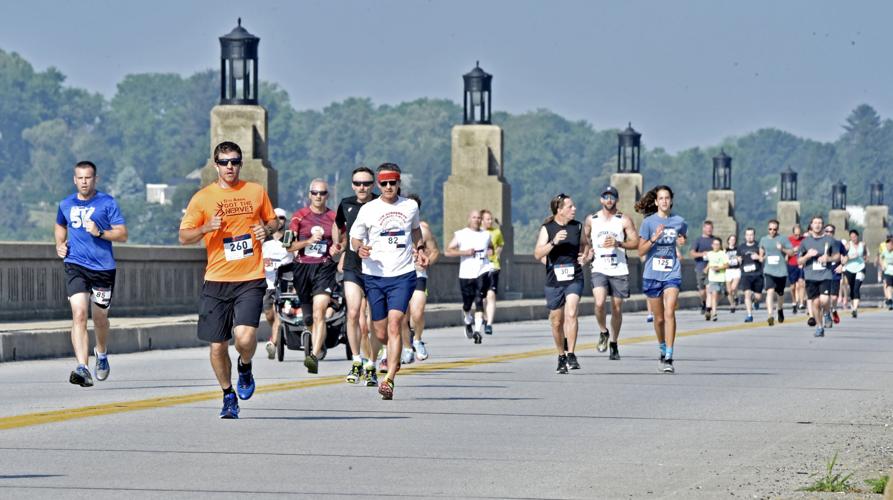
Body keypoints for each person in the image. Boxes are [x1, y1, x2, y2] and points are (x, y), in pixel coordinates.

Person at [179, 141, 278, 418]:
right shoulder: (202, 198)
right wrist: (204, 228)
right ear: (216, 165)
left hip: (250, 276)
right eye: (224, 162)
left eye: (234, 161)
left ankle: (245, 367)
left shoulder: (256, 192)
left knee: (244, 337)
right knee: (217, 346)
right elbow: (184, 237)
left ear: (240, 163)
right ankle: (227, 394)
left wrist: (265, 229)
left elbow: (273, 222)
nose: (230, 167)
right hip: (217, 279)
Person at [350, 163, 427, 400]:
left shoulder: (410, 206)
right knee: (380, 331)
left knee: (395, 324)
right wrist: (360, 248)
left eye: (392, 182)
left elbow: (415, 231)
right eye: (384, 183)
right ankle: (391, 355)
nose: (388, 187)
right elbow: (355, 238)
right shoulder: (368, 209)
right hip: (374, 275)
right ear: (379, 185)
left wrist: (420, 247)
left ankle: (390, 378)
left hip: (403, 274)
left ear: (398, 183)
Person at [54, 161, 128, 387]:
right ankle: (82, 367)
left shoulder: (107, 202)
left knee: (99, 318)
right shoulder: (65, 204)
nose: (84, 182)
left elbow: (122, 234)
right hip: (75, 265)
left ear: (95, 179)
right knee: (79, 314)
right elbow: (60, 225)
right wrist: (59, 245)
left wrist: (101, 232)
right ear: (74, 180)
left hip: (103, 269)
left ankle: (102, 353)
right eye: (80, 178)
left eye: (88, 178)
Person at [285, 179, 340, 374]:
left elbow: (342, 240)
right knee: (309, 317)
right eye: (315, 193)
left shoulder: (334, 217)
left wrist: (337, 247)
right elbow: (289, 246)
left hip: (324, 268)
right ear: (309, 195)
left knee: (319, 313)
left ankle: (314, 356)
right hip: (302, 268)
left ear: (327, 195)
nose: (319, 196)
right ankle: (318, 341)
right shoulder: (299, 217)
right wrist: (308, 241)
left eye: (323, 193)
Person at [534, 193, 588, 373]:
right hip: (554, 280)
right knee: (557, 321)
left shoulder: (577, 226)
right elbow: (538, 254)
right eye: (570, 207)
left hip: (574, 276)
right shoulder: (547, 228)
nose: (574, 209)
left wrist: (586, 256)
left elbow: (585, 245)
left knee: (571, 311)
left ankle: (571, 354)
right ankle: (561, 355)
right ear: (560, 210)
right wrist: (553, 242)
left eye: (573, 206)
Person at [583, 185, 638, 360]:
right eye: (605, 197)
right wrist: (587, 253)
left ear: (616, 199)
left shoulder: (624, 219)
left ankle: (614, 342)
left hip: (619, 268)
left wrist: (618, 243)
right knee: (599, 303)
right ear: (601, 199)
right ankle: (603, 331)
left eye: (612, 197)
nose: (609, 200)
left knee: (616, 307)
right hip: (599, 267)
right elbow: (583, 241)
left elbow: (635, 242)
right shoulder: (592, 219)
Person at [637, 185, 688, 374]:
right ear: (656, 201)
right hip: (652, 274)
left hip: (671, 273)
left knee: (669, 312)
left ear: (671, 201)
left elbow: (682, 235)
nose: (664, 201)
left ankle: (669, 355)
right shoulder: (648, 223)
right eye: (661, 198)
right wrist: (654, 238)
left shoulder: (679, 221)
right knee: (658, 320)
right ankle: (661, 346)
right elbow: (640, 250)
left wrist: (682, 240)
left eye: (667, 198)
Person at [336, 166, 380, 386]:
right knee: (353, 313)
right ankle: (356, 360)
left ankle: (371, 365)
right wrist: (339, 246)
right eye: (358, 183)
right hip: (353, 267)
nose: (362, 187)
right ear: (353, 185)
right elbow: (338, 226)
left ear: (373, 184)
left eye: (366, 183)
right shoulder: (346, 204)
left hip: (376, 268)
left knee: (371, 323)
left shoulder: (382, 204)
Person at [400, 194, 440, 363]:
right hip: (399, 274)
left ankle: (417, 339)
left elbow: (435, 251)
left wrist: (426, 261)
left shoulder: (423, 229)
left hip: (418, 274)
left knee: (417, 312)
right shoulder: (395, 227)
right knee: (403, 316)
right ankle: (407, 347)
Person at [445, 210, 494, 344]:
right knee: (467, 304)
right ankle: (468, 320)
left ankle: (477, 332)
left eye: (479, 218)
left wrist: (490, 251)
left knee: (479, 300)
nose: (477, 220)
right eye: (474, 217)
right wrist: (465, 252)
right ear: (469, 219)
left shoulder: (486, 234)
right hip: (466, 273)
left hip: (482, 271)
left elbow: (491, 247)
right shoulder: (461, 234)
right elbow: (448, 251)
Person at [797, 215, 841, 337]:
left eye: (820, 223)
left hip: (825, 274)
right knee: (815, 303)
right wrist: (807, 256)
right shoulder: (805, 242)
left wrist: (828, 258)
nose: (817, 225)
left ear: (823, 225)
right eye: (815, 223)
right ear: (811, 225)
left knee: (825, 299)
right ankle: (819, 327)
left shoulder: (829, 240)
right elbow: (799, 261)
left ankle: (827, 313)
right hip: (810, 276)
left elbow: (838, 256)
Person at [262, 208, 293, 358]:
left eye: (281, 218)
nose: (278, 221)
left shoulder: (290, 239)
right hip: (268, 285)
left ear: (285, 221)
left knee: (278, 314)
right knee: (269, 315)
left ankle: (273, 343)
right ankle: (276, 334)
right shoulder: (263, 242)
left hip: (285, 285)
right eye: (275, 218)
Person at [758, 220, 792, 325]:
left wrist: (782, 249)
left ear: (778, 229)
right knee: (770, 291)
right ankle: (770, 315)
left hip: (781, 271)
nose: (772, 231)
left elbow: (791, 252)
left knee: (780, 294)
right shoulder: (763, 239)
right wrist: (761, 257)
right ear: (768, 229)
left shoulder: (783, 239)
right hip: (769, 270)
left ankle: (780, 309)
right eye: (770, 229)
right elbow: (761, 253)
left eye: (774, 229)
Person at [481, 209, 505, 335]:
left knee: (491, 295)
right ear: (482, 220)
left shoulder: (496, 232)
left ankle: (489, 323)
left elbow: (501, 244)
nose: (490, 221)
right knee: (482, 298)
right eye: (487, 219)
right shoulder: (477, 233)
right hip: (479, 268)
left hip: (493, 266)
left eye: (491, 219)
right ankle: (484, 318)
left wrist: (497, 254)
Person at [823, 224, 847, 324]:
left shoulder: (838, 243)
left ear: (834, 233)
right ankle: (827, 314)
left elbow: (845, 256)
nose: (829, 233)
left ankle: (833, 309)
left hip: (835, 273)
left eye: (831, 232)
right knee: (825, 297)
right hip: (823, 274)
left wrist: (842, 266)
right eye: (827, 231)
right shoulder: (819, 243)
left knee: (834, 297)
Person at [689, 221, 715, 315]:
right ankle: (704, 302)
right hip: (700, 267)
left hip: (712, 269)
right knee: (702, 291)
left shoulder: (715, 240)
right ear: (703, 229)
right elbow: (692, 253)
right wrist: (702, 254)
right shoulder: (698, 240)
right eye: (707, 228)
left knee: (709, 289)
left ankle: (709, 307)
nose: (709, 230)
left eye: (710, 228)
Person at [843, 229, 867, 318]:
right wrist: (849, 257)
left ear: (858, 236)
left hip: (860, 268)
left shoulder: (862, 244)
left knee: (856, 287)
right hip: (849, 269)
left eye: (855, 237)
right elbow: (843, 258)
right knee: (852, 288)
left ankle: (855, 309)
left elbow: (865, 254)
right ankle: (853, 306)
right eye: (851, 237)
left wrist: (864, 259)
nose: (853, 238)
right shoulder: (848, 245)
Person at [704, 237, 728, 322]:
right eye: (714, 244)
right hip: (712, 278)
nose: (716, 246)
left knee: (718, 296)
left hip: (721, 278)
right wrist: (706, 268)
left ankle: (709, 309)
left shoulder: (723, 254)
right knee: (713, 294)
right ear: (712, 245)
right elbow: (710, 262)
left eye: (718, 244)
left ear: (720, 245)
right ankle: (714, 313)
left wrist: (718, 268)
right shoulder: (709, 253)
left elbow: (726, 265)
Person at [787, 225, 807, 314]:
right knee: (792, 287)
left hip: (801, 265)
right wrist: (792, 251)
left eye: (799, 234)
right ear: (793, 233)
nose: (797, 236)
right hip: (792, 264)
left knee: (802, 283)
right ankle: (794, 302)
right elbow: (785, 252)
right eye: (795, 235)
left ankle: (801, 303)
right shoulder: (789, 240)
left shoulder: (805, 240)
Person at [725, 234, 741, 313]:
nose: (732, 241)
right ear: (728, 241)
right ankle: (732, 304)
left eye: (734, 240)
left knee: (733, 288)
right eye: (731, 239)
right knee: (729, 291)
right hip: (728, 270)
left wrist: (739, 259)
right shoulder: (725, 250)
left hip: (736, 270)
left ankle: (736, 296)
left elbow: (740, 259)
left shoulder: (738, 249)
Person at [880, 237, 893, 310]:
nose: (888, 247)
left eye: (889, 245)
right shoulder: (884, 251)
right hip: (888, 271)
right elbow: (881, 257)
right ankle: (890, 299)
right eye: (887, 245)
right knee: (889, 285)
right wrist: (882, 265)